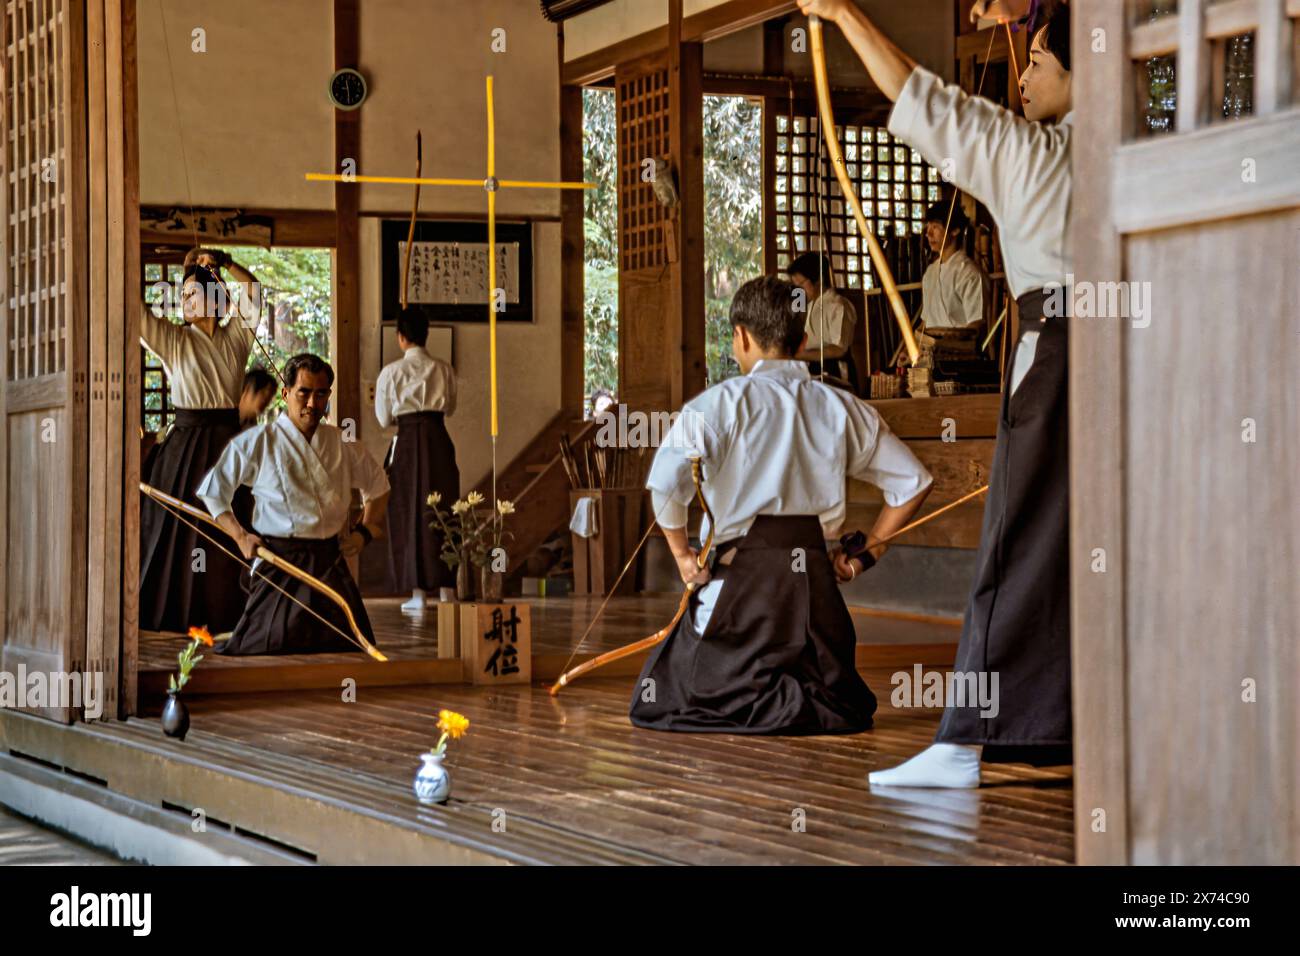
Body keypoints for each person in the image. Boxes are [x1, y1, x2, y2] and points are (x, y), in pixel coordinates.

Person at [801, 0, 1074, 786]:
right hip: (1145, 361)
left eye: (1041, 62)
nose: (1023, 76)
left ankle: (975, 743)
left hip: (1057, 352)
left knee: (1018, 541)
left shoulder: (1035, 156)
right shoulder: (1136, 153)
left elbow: (919, 95)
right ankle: (1054, 736)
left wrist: (842, 14)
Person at [630, 276, 933, 734]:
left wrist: (683, 559)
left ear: (741, 336)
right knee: (832, 698)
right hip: (816, 605)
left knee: (659, 697)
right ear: (804, 341)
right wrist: (865, 554)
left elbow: (667, 486)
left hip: (739, 602)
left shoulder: (718, 405)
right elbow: (913, 483)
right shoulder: (842, 407)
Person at [197, 354, 390, 654]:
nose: (313, 403)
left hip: (329, 565)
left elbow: (378, 487)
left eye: (321, 393)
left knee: (348, 648)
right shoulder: (260, 441)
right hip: (280, 565)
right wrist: (239, 535)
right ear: (286, 394)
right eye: (304, 392)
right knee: (267, 646)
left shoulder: (342, 443)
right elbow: (214, 491)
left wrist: (363, 533)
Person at [138, 247, 261, 634]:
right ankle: (176, 612)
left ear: (215, 300)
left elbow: (253, 289)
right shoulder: (174, 339)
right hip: (186, 446)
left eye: (192, 294)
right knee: (181, 529)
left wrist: (223, 261)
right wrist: (188, 269)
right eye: (183, 295)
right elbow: (136, 312)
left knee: (229, 525)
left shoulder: (236, 336)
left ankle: (233, 613)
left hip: (228, 445)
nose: (185, 301)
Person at [374, 308, 459, 612]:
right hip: (438, 441)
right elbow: (450, 407)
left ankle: (418, 594)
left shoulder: (390, 373)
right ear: (426, 334)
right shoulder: (444, 369)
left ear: (400, 337)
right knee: (443, 510)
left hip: (408, 442)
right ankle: (448, 590)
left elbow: (384, 419)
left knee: (409, 511)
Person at [788, 251, 860, 388]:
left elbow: (839, 349)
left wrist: (802, 355)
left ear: (819, 279)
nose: (798, 290)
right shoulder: (804, 304)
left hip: (835, 370)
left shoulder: (838, 305)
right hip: (809, 368)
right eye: (795, 285)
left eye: (801, 284)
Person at [920, 199, 989, 330]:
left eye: (935, 227)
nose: (928, 233)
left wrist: (948, 340)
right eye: (928, 226)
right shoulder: (930, 272)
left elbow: (975, 323)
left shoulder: (969, 273)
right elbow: (926, 322)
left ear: (955, 230)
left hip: (958, 348)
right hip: (930, 347)